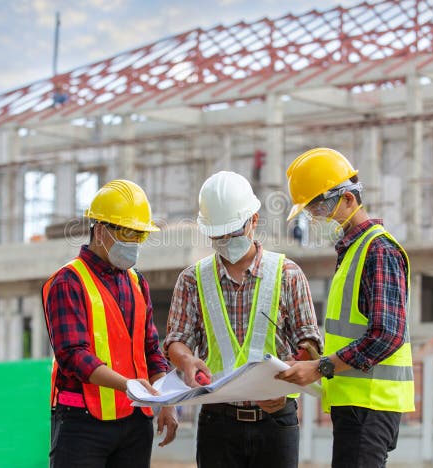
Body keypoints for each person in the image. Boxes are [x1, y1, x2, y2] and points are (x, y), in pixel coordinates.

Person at [165, 170, 321, 468]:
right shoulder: (192, 280)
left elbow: (309, 343)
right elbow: (177, 340)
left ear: (254, 221)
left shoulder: (288, 274)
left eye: (233, 232)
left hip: (276, 420)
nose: (225, 241)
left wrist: (286, 385)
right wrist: (185, 361)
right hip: (217, 422)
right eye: (218, 235)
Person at [276, 148, 414, 468]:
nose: (316, 217)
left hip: (370, 405)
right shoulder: (351, 252)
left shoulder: (379, 251)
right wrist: (313, 357)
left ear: (350, 199)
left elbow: (386, 335)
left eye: (320, 206)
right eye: (311, 211)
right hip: (355, 404)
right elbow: (353, 331)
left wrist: (322, 367)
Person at [42, 179, 178, 468]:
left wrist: (166, 399)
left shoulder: (137, 282)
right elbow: (73, 356)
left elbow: (151, 349)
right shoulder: (68, 282)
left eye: (140, 236)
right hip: (82, 425)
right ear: (101, 231)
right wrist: (127, 385)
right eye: (129, 233)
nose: (134, 243)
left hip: (135, 425)